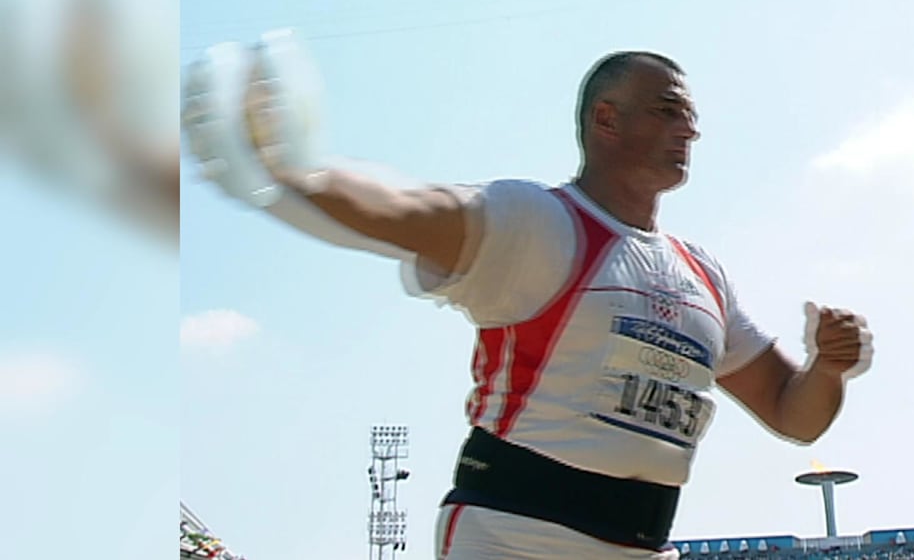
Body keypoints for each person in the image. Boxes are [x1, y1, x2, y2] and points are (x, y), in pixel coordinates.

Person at [183, 40, 874, 560]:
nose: (689, 129)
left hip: (641, 545)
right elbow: (402, 210)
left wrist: (830, 368)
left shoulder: (704, 274)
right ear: (607, 119)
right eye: (669, 111)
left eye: (691, 117)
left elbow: (795, 416)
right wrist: (286, 172)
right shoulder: (540, 223)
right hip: (515, 539)